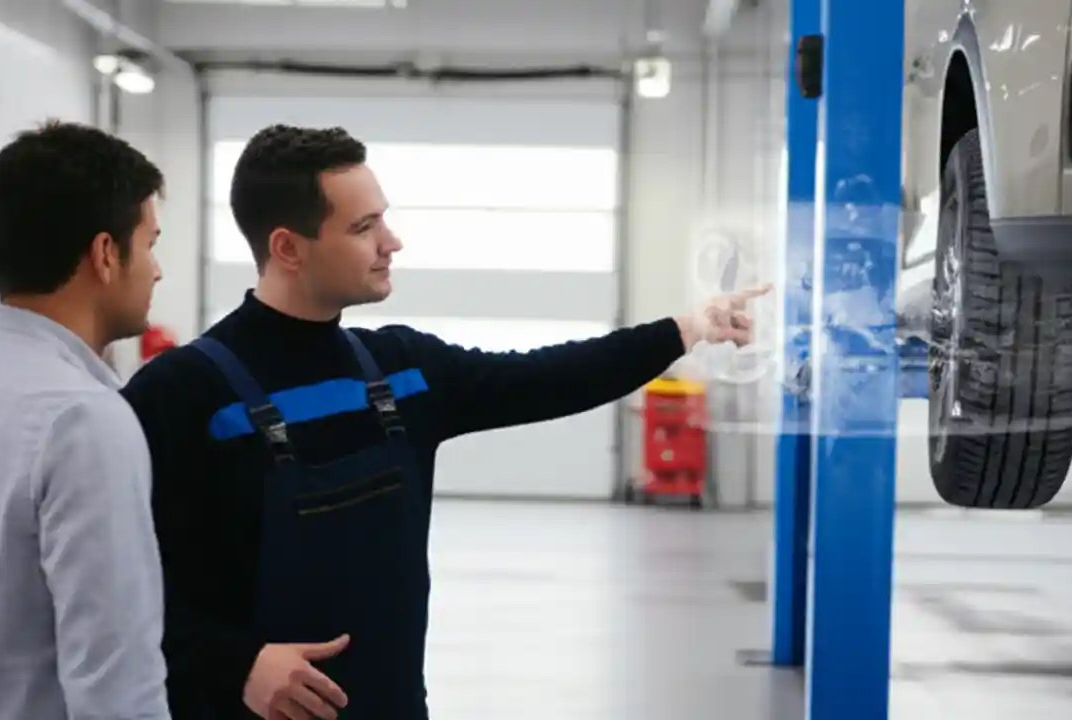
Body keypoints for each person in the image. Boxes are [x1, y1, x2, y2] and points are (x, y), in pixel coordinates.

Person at [121, 123, 765, 720]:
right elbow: (118, 591)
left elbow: (548, 377)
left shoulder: (401, 371)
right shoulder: (183, 397)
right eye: (364, 226)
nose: (390, 242)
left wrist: (688, 328)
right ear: (288, 247)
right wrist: (237, 667)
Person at [0, 121, 170, 719]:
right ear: (106, 254)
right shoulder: (82, 421)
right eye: (151, 242)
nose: (158, 269)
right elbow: (117, 684)